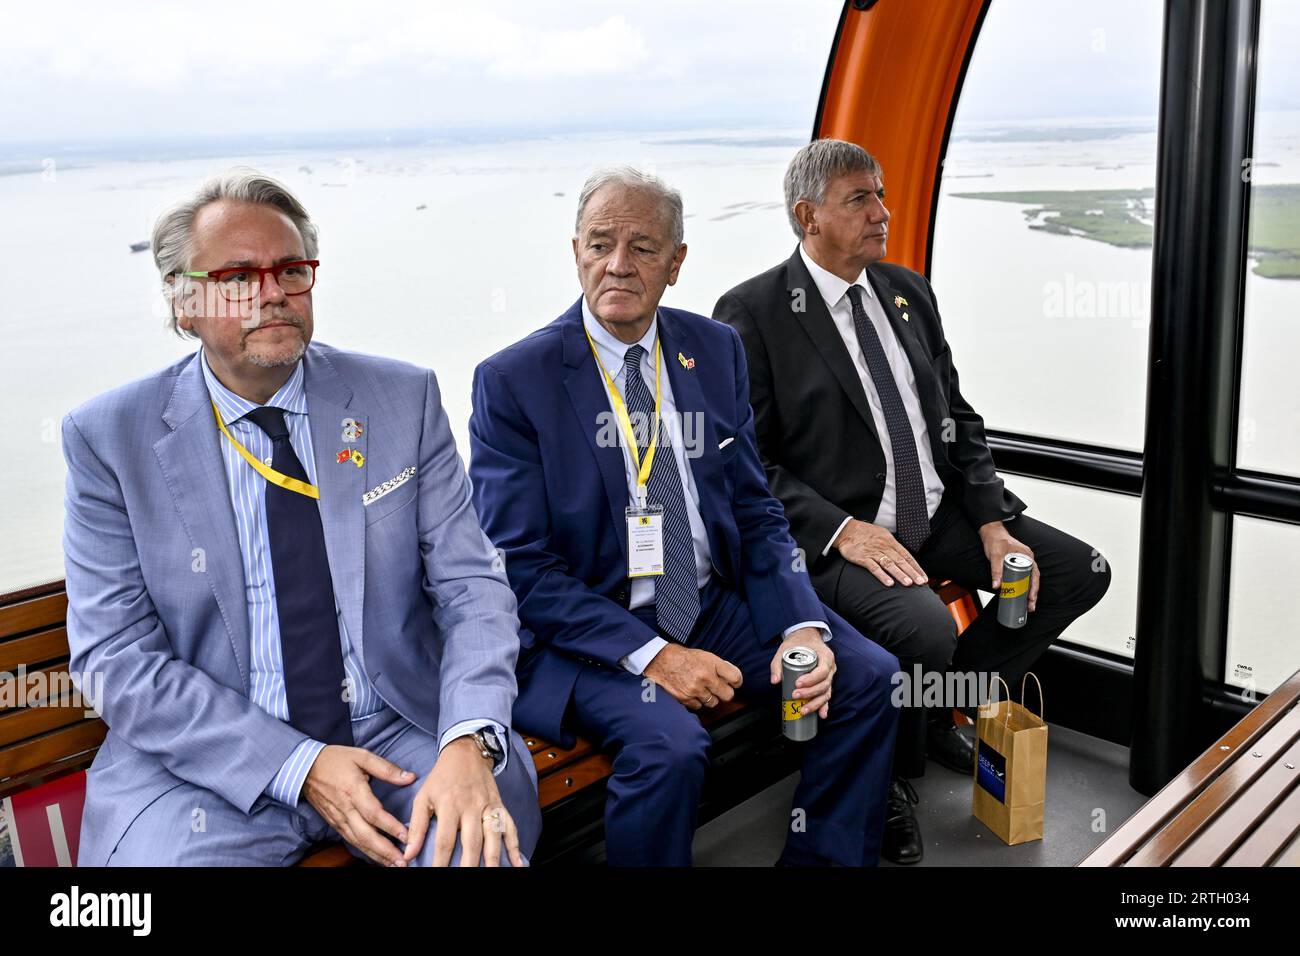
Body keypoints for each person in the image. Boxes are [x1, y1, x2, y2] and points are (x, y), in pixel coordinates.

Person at [63, 168, 539, 866]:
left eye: (291, 270)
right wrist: (299, 765)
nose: (273, 293)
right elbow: (116, 659)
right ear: (183, 304)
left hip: (396, 732)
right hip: (208, 767)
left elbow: (474, 588)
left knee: (477, 845)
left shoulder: (400, 400)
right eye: (237, 277)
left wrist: (467, 737)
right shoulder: (110, 438)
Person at [468, 167, 899, 866]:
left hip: (706, 600)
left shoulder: (713, 349)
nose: (617, 264)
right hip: (590, 629)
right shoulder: (516, 382)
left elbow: (757, 510)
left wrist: (800, 624)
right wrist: (657, 659)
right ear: (575, 250)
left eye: (642, 248)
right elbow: (523, 570)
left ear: (676, 262)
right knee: (670, 750)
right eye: (600, 243)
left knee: (866, 676)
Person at [714, 139, 1112, 864]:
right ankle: (890, 781)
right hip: (844, 538)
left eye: (882, 195)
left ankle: (928, 710)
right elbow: (751, 463)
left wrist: (991, 523)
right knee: (925, 628)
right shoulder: (752, 312)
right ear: (808, 216)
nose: (883, 213)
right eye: (860, 199)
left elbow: (959, 418)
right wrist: (842, 531)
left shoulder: (906, 291)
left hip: (939, 514)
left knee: (1079, 570)